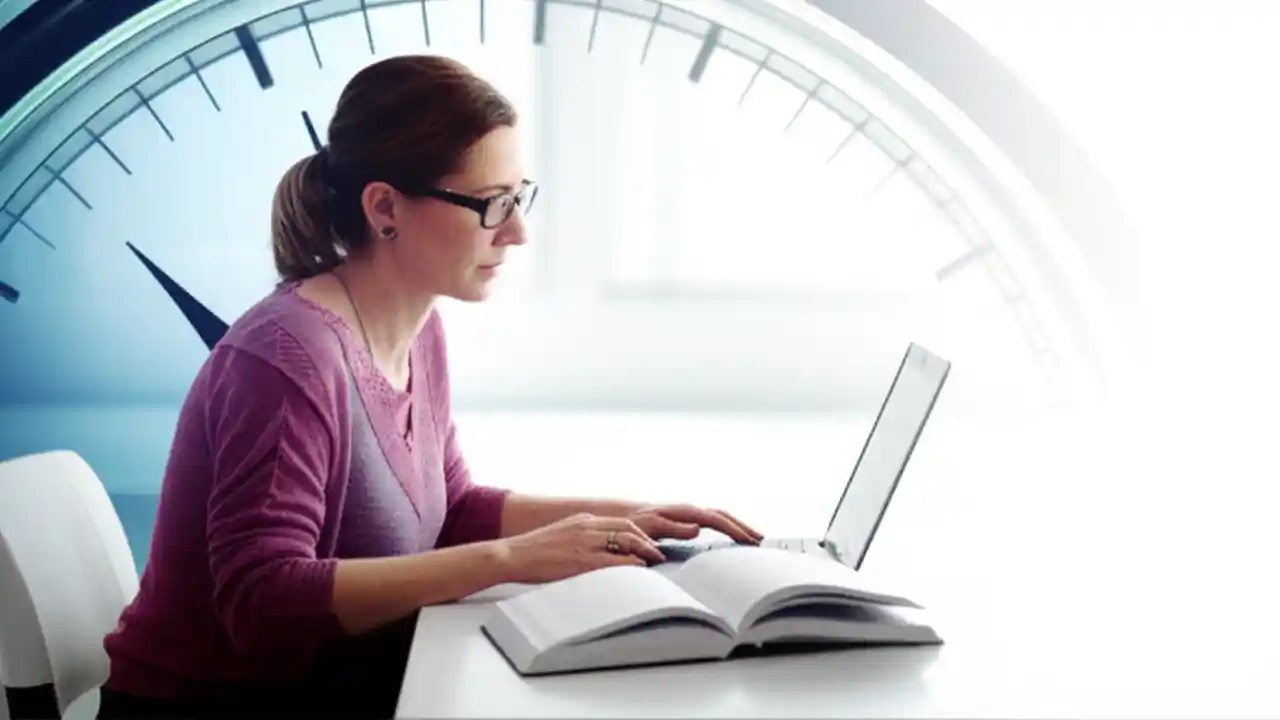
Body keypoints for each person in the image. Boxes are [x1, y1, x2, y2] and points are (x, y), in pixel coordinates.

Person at [96, 54, 761, 718]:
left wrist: (618, 520)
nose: (517, 230)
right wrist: (513, 557)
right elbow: (260, 601)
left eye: (519, 195)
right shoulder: (284, 359)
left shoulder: (419, 331)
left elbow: (451, 511)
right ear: (384, 207)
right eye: (491, 204)